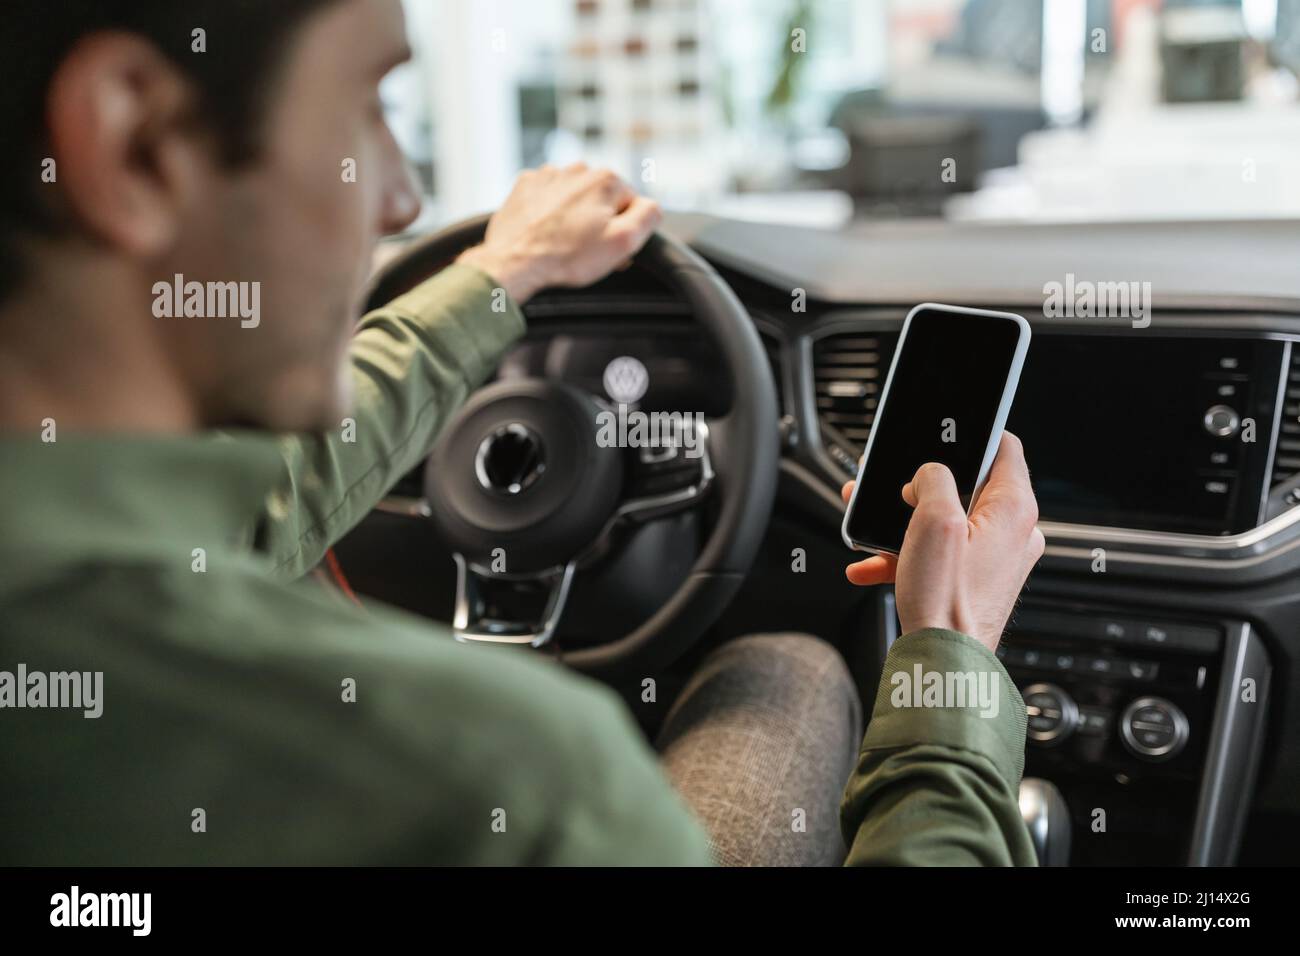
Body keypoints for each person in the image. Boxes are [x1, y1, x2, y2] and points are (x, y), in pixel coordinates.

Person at [0, 0, 1042, 866]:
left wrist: (506, 275)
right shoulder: (504, 780)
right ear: (136, 144)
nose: (400, 196)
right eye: (369, 105)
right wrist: (947, 662)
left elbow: (265, 499)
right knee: (790, 665)